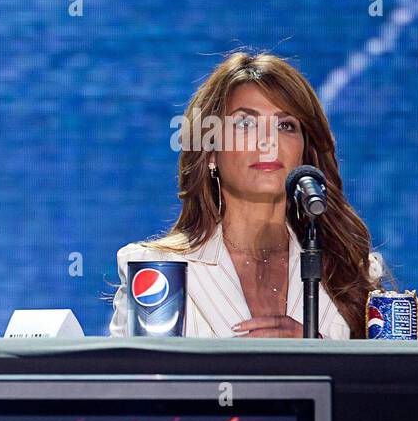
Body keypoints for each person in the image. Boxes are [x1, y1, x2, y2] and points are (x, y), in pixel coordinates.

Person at [110, 51, 386, 338]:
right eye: (245, 123)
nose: (269, 140)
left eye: (285, 125)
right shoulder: (155, 272)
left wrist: (316, 352)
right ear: (211, 153)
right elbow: (134, 381)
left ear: (305, 153)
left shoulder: (352, 272)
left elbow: (386, 380)